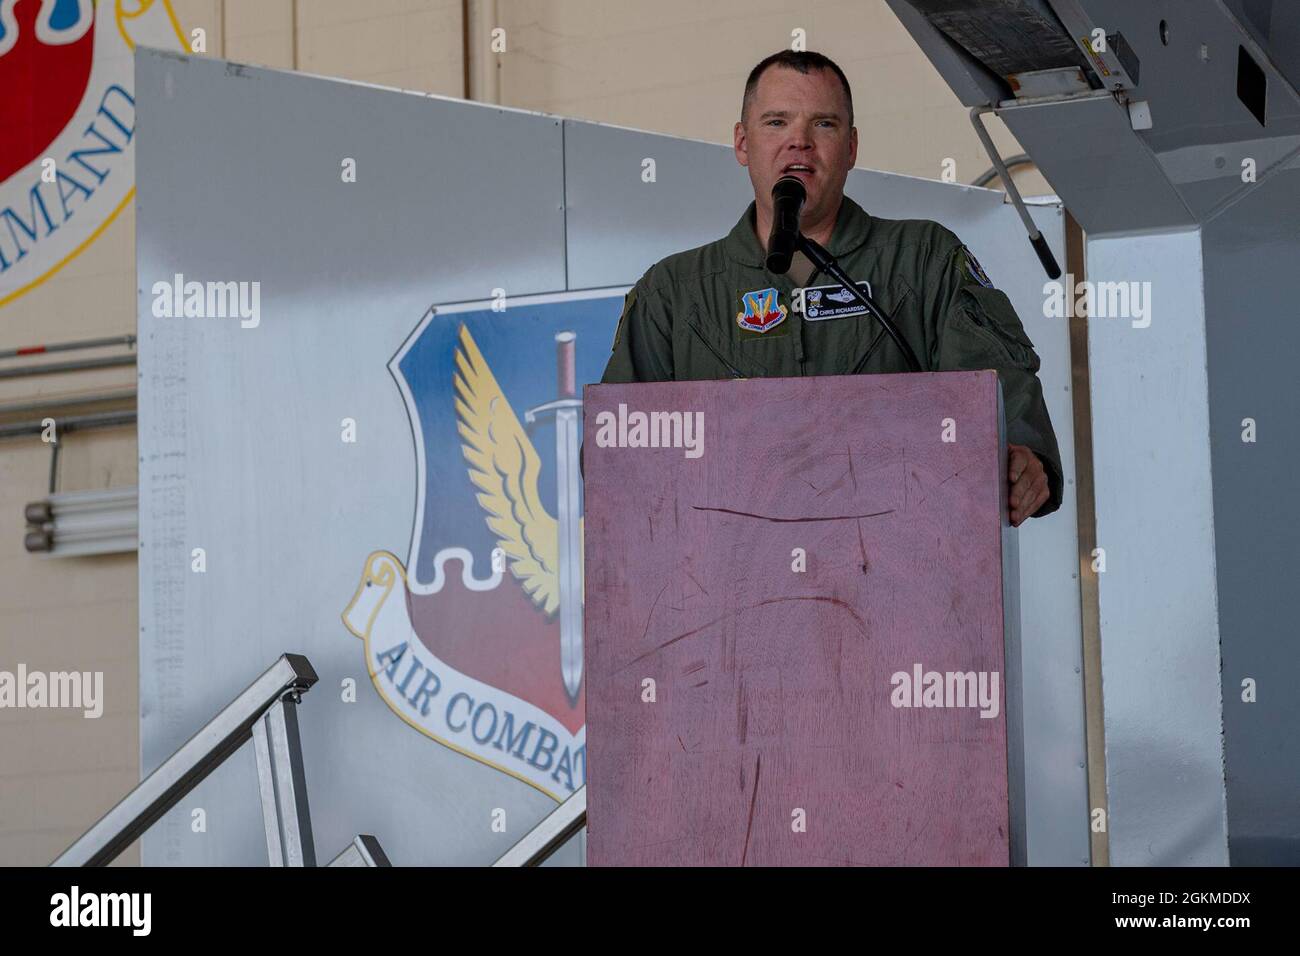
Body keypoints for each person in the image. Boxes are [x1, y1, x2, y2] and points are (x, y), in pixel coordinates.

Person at [600, 50, 1062, 524]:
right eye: (776, 122)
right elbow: (616, 456)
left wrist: (1024, 457)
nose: (799, 143)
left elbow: (998, 385)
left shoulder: (923, 259)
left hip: (900, 569)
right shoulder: (673, 294)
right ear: (742, 143)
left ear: (852, 147)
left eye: (823, 124)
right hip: (725, 578)